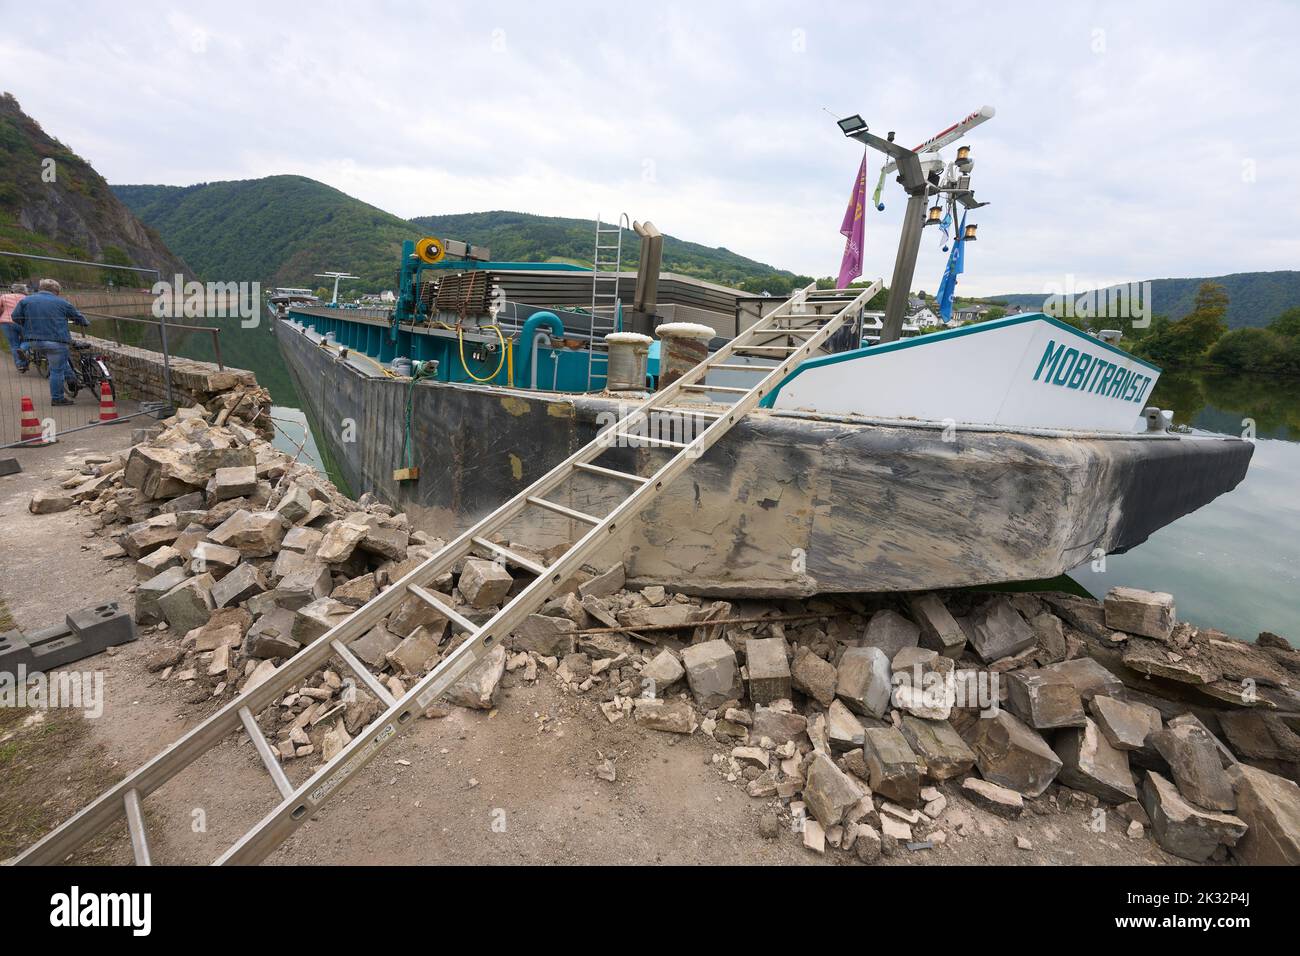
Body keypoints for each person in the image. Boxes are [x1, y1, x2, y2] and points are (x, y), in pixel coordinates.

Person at [12, 278, 90, 406]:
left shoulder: (26, 300)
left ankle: (71, 380)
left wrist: (29, 326)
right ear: (56, 291)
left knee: (59, 362)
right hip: (56, 341)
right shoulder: (62, 302)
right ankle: (57, 398)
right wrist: (84, 322)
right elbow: (79, 317)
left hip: (34, 341)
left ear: (40, 288)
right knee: (56, 370)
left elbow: (15, 317)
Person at [0, 282, 27, 370]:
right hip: (22, 322)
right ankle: (22, 349)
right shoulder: (26, 298)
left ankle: (20, 364)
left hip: (6, 322)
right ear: (24, 290)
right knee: (28, 339)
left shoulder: (4, 297)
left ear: (12, 289)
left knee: (13, 344)